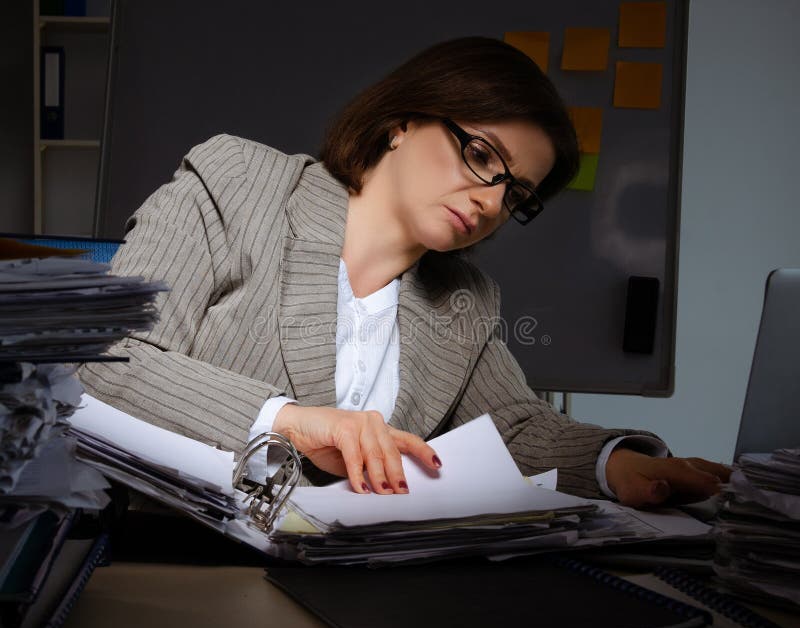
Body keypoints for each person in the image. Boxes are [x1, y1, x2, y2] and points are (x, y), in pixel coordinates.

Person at [78, 36, 730, 508]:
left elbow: (515, 428)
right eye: (482, 155)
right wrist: (288, 420)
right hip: (160, 549)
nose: (492, 201)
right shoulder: (239, 183)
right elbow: (100, 355)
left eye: (516, 193)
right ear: (402, 123)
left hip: (351, 575)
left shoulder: (465, 298)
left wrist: (615, 463)